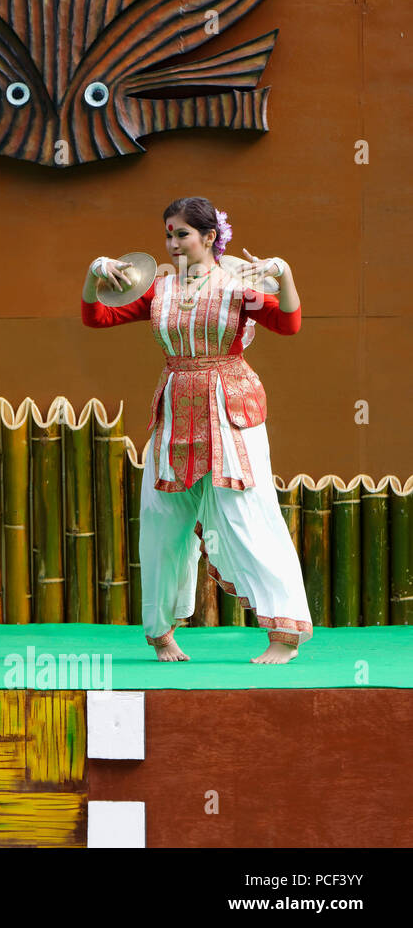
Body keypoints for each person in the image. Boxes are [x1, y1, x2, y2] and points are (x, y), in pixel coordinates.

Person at [82, 196, 311, 664]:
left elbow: (288, 324)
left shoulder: (236, 287)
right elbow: (97, 316)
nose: (172, 243)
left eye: (182, 233)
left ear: (209, 237)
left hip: (230, 412)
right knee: (162, 520)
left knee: (248, 516)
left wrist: (283, 274)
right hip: (175, 411)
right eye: (168, 233)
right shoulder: (159, 290)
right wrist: (93, 273)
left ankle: (283, 636)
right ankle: (161, 633)